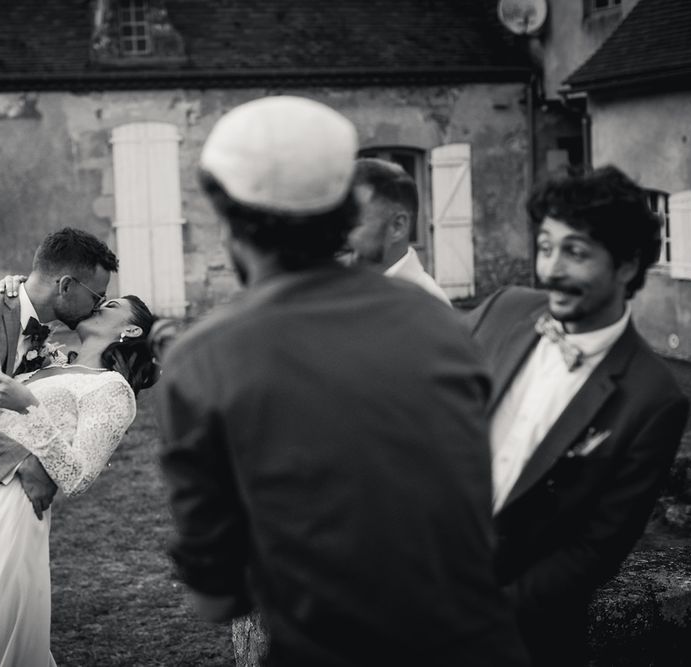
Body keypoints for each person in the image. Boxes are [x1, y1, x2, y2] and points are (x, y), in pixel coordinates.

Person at [156, 95, 528, 666]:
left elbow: (215, 596)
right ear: (346, 207)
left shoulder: (203, 359)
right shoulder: (437, 320)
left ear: (224, 214)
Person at [464, 166, 689, 666]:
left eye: (576, 252)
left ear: (627, 267)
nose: (550, 270)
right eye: (546, 247)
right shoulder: (504, 308)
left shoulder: (654, 399)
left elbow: (593, 552)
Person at [0, 295, 158, 667]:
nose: (101, 301)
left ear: (132, 329)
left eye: (113, 304)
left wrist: (27, 404)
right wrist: (7, 293)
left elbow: (77, 477)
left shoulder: (112, 389)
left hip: (10, 506)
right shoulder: (43, 362)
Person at [0, 228, 119, 519]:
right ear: (66, 286)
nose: (98, 308)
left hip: (7, 503)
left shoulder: (50, 342)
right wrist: (23, 463)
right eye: (97, 296)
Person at [345, 157, 452, 305]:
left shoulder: (429, 306)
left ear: (398, 226)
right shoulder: (343, 290)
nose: (341, 234)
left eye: (354, 221)